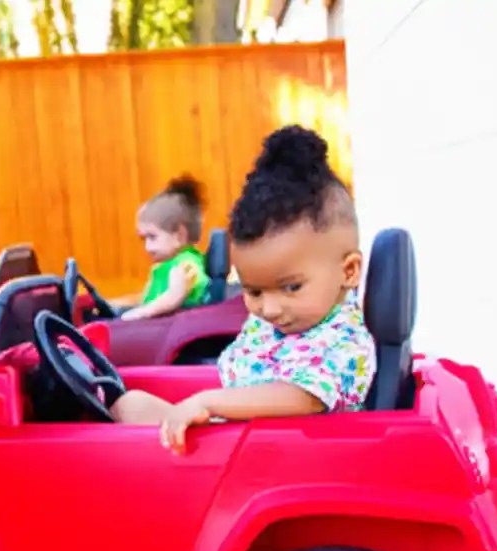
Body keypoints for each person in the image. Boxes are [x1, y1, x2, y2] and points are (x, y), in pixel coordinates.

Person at [109, 125, 377, 453]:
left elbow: (303, 396)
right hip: (245, 445)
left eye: (291, 287)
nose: (270, 309)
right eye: (254, 291)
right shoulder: (287, 323)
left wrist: (209, 402)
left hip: (291, 459)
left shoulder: (344, 340)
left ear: (348, 271)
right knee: (129, 404)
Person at [115, 175, 211, 320]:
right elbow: (147, 299)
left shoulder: (185, 265)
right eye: (143, 239)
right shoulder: (167, 265)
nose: (147, 247)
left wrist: (142, 313)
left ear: (179, 235)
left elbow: (175, 296)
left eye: (152, 237)